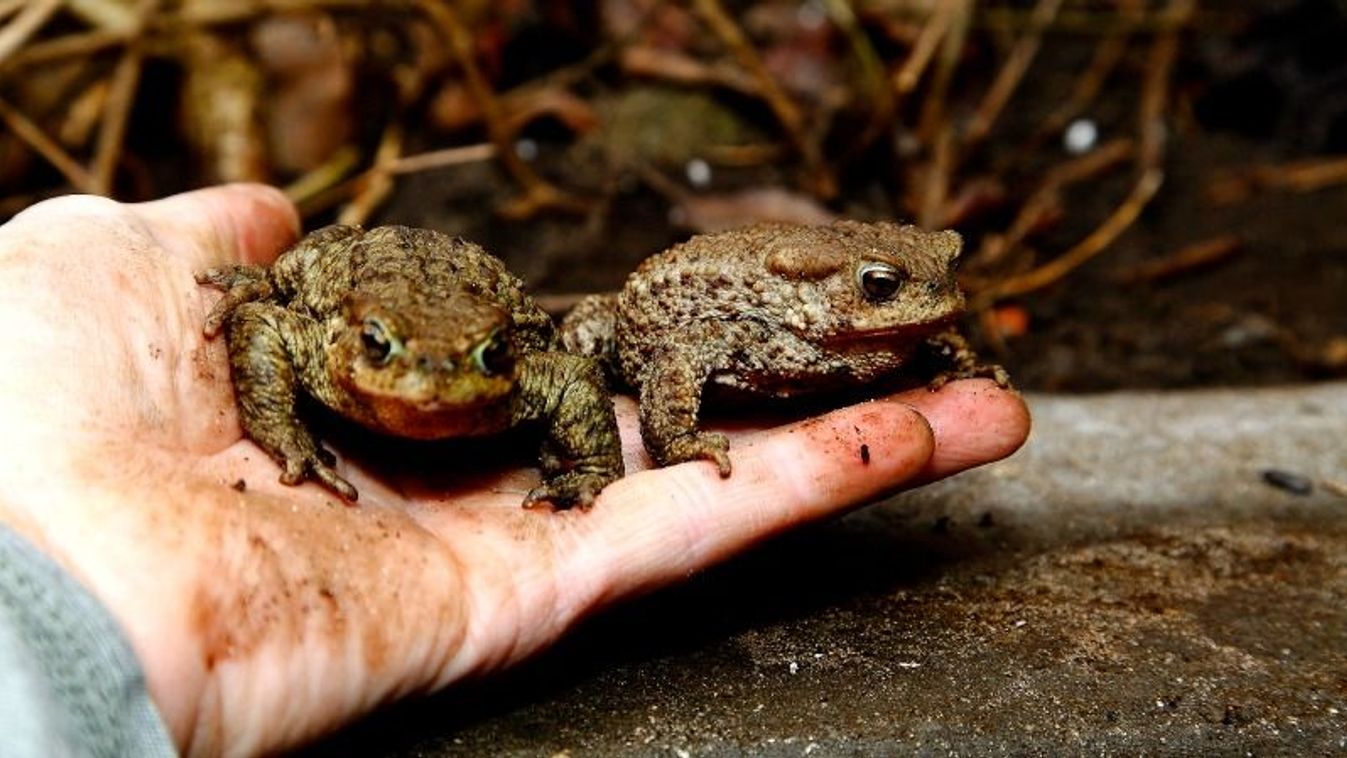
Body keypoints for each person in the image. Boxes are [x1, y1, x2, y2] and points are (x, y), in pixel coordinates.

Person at [0, 185, 1030, 757]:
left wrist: (582, 465)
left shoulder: (532, 372)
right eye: (387, 358)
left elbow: (565, 383)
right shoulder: (318, 340)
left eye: (494, 368)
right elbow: (269, 315)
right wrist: (281, 434)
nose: (436, 390)